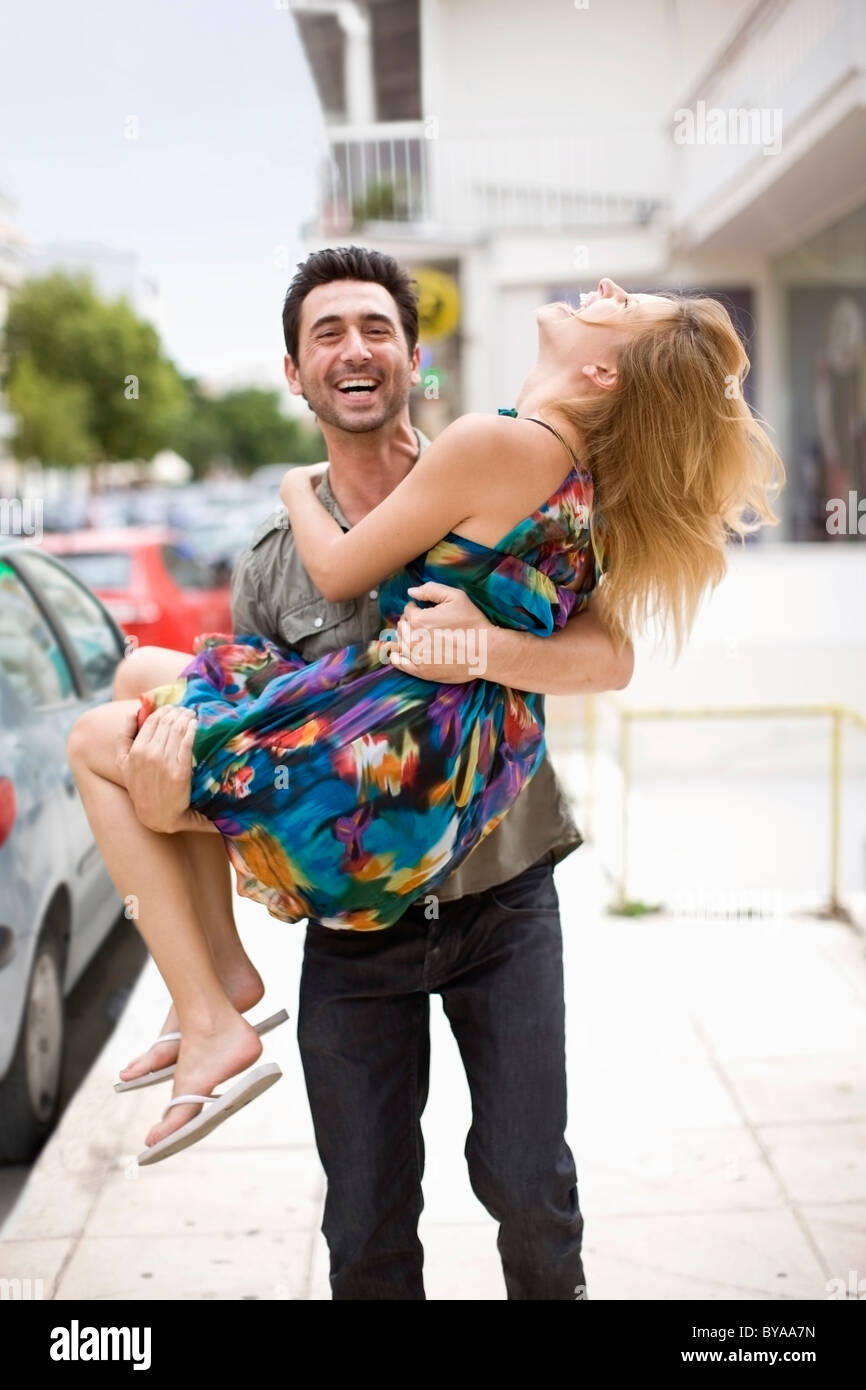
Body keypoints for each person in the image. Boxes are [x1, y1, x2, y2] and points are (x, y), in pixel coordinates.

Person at [66, 248, 782, 1292]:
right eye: (326, 334)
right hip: (362, 917)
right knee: (361, 1226)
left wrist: (482, 646)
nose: (353, 350)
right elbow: (263, 760)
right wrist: (178, 809)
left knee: (528, 1187)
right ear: (294, 373)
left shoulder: (488, 454)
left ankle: (214, 1011)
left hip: (490, 886)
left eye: (374, 329)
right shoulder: (285, 554)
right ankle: (216, 984)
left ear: (412, 358)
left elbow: (608, 652)